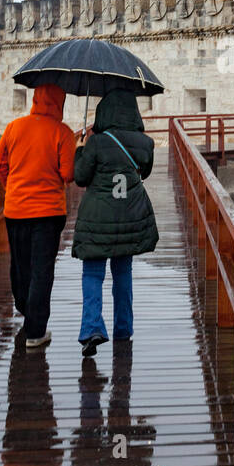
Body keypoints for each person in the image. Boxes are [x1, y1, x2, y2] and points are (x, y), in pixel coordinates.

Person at [71, 89, 159, 359]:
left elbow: (81, 178)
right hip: (130, 215)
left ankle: (92, 328)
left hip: (98, 216)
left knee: (93, 273)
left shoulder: (97, 143)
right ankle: (124, 328)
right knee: (123, 272)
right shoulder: (145, 143)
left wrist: (80, 149)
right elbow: (144, 172)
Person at [0, 83, 76, 350]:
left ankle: (24, 307)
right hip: (48, 212)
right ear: (59, 103)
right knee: (42, 269)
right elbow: (68, 175)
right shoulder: (63, 133)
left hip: (16, 210)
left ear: (36, 99)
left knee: (20, 264)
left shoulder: (14, 127)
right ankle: (35, 331)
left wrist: (13, 187)